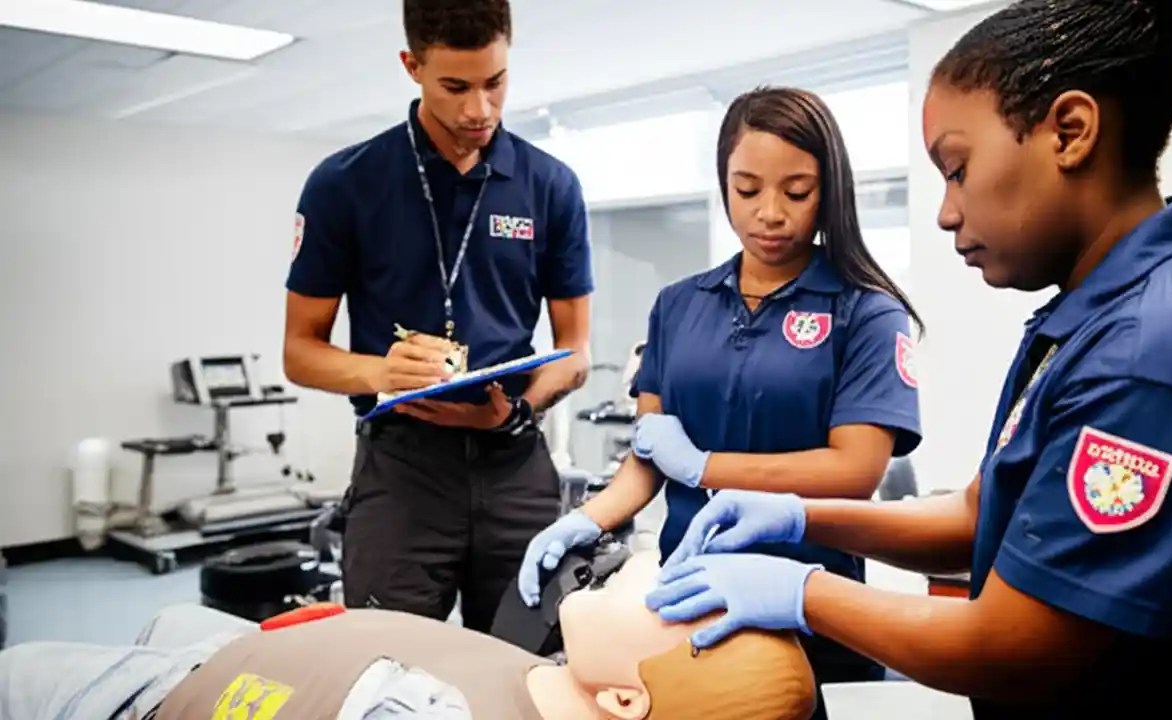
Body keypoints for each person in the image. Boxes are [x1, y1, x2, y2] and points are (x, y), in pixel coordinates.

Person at [643, 0, 1172, 716]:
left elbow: (1011, 646)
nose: (946, 211)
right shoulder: (1091, 320)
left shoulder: (1161, 346)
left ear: (1070, 132)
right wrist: (799, 517)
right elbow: (979, 516)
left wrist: (802, 590)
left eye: (958, 169)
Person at [519, 86, 925, 718]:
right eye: (746, 189)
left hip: (814, 607)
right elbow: (652, 455)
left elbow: (855, 470)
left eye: (796, 192)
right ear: (723, 183)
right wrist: (588, 519)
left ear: (830, 192)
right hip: (690, 606)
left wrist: (708, 466)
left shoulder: (865, 312)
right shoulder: (680, 305)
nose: (769, 213)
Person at [282, 0, 592, 635]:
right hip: (402, 470)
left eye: (495, 82)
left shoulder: (551, 185)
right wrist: (382, 371)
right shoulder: (344, 182)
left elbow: (576, 352)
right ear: (412, 66)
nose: (479, 109)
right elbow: (300, 352)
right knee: (389, 666)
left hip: (514, 459)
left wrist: (517, 412)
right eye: (456, 86)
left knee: (527, 667)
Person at [0, 552, 818, 720]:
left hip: (169, 694)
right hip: (232, 647)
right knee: (171, 615)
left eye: (674, 603)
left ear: (627, 697)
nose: (648, 562)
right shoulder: (564, 677)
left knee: (18, 671)